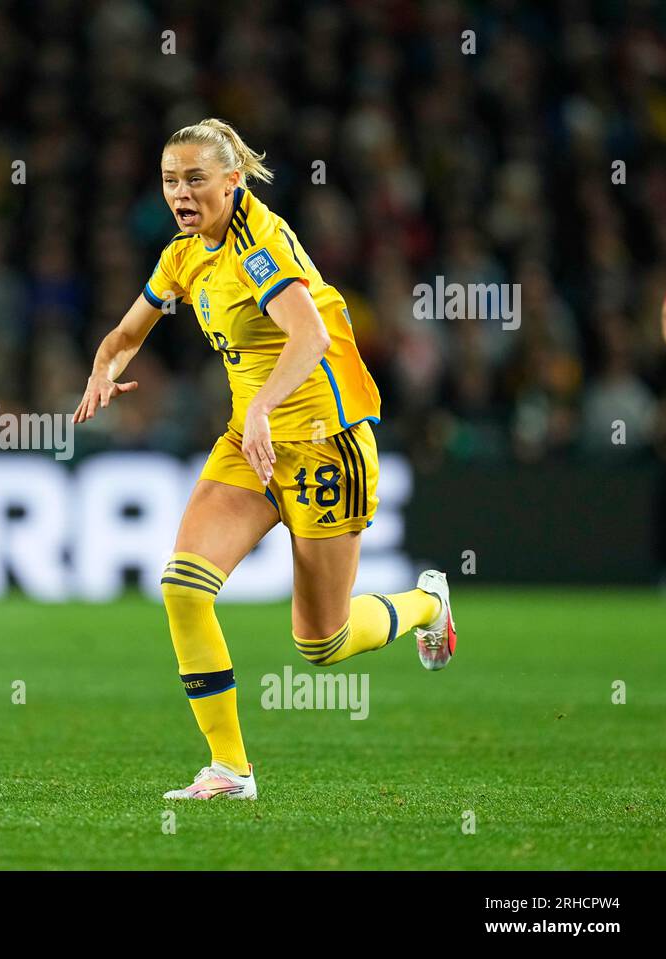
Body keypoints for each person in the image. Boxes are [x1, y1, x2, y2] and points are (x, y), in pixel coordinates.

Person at [73, 119, 457, 800]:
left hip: (324, 443)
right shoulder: (184, 255)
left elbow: (308, 336)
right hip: (249, 451)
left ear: (233, 180)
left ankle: (427, 604)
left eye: (195, 179)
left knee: (323, 643)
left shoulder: (262, 244)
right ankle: (230, 769)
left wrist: (260, 408)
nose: (180, 193)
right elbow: (130, 331)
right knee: (184, 587)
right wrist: (105, 364)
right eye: (170, 180)